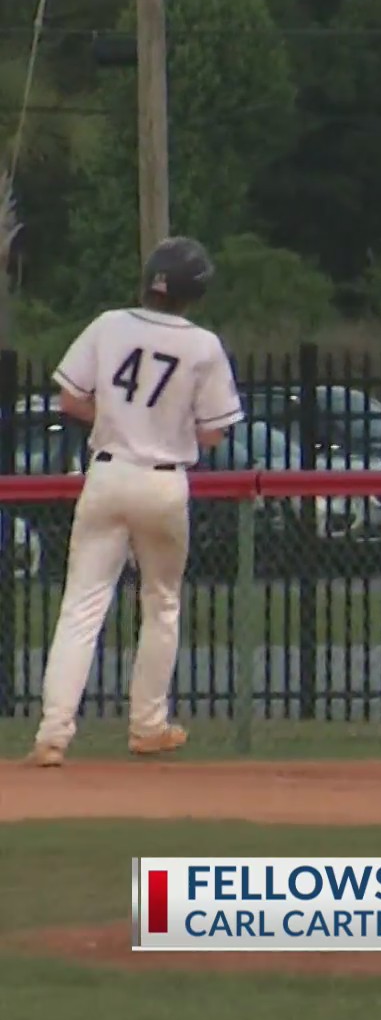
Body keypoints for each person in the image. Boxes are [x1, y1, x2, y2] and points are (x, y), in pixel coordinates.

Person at [26, 236, 245, 768]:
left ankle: (53, 734)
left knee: (81, 605)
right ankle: (148, 725)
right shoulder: (203, 345)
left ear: (148, 280)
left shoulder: (108, 324)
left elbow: (70, 398)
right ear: (197, 291)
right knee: (162, 603)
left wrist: (117, 417)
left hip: (107, 473)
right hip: (164, 481)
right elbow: (216, 433)